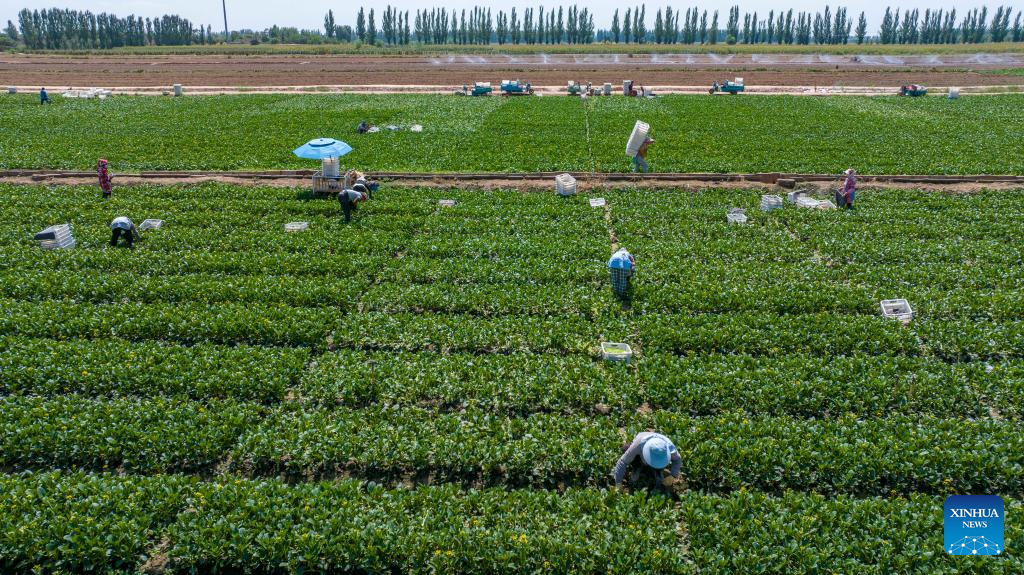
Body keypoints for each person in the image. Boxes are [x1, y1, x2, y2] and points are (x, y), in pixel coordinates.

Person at [612, 431, 682, 488]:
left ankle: (657, 471)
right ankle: (637, 467)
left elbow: (677, 460)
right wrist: (618, 482)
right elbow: (623, 462)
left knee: (659, 480)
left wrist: (672, 476)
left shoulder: (669, 447)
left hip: (656, 453)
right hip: (639, 456)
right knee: (626, 448)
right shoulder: (638, 445)